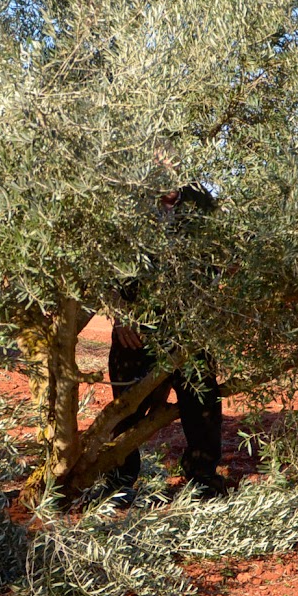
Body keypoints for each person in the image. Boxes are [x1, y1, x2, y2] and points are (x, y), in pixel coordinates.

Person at [104, 185, 232, 501]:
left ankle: (202, 477)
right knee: (127, 404)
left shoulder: (201, 201)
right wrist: (120, 315)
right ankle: (120, 480)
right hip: (136, 327)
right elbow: (102, 266)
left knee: (202, 401)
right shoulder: (127, 198)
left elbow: (224, 257)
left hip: (189, 326)